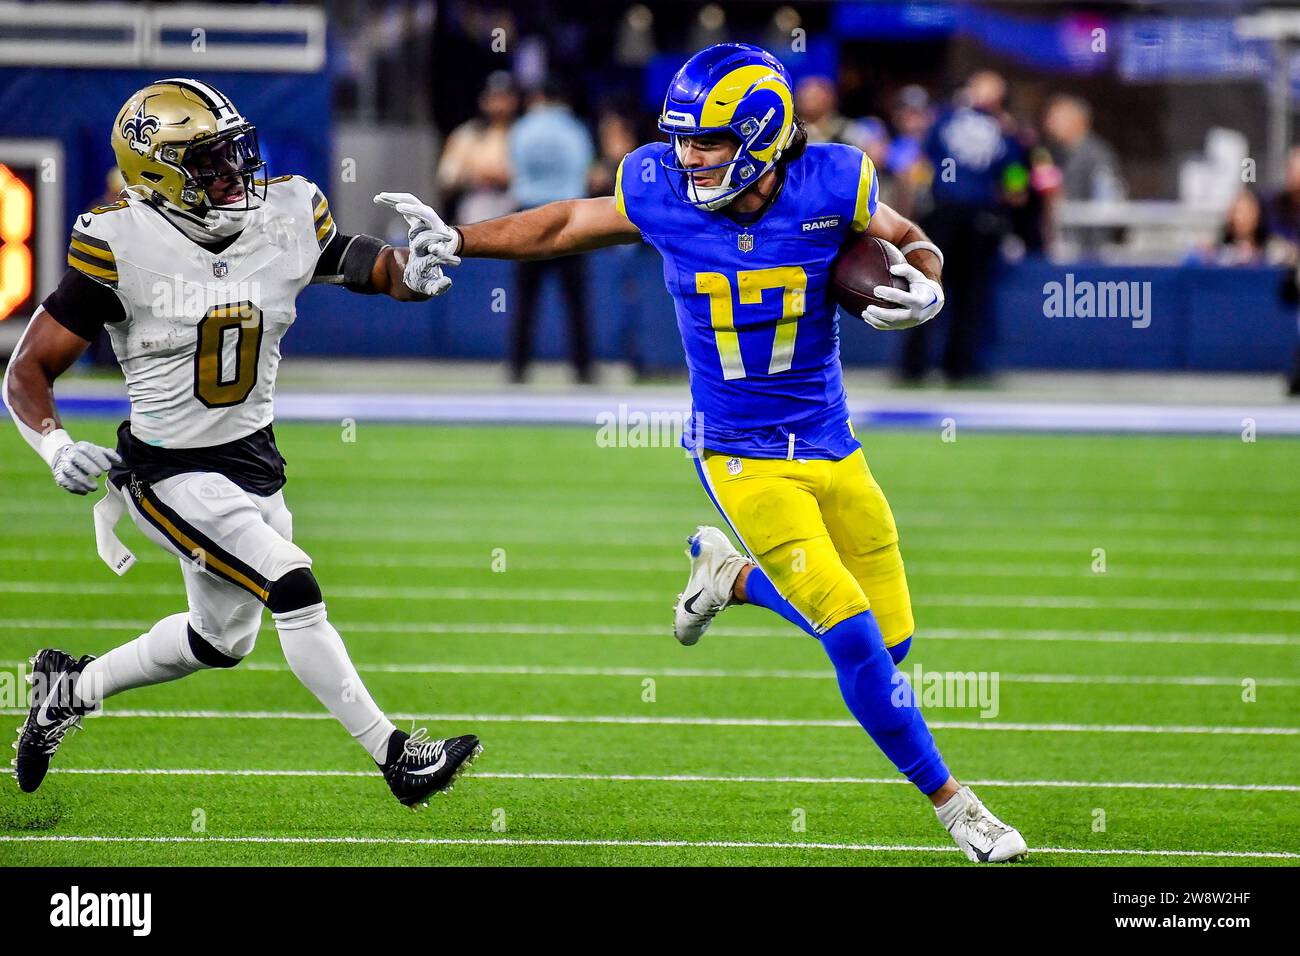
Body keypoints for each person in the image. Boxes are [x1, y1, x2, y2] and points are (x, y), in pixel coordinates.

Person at [391, 43, 1028, 863]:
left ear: (761, 138)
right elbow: (566, 222)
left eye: (708, 141)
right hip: (738, 454)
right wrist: (462, 238)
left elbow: (907, 236)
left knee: (893, 645)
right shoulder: (658, 187)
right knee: (855, 642)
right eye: (683, 139)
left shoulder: (835, 181)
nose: (688, 156)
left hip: (831, 442)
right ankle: (959, 809)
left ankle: (730, 578)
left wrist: (927, 281)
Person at [3, 78, 480, 807]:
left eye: (233, 151)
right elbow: (28, 369)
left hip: (254, 459)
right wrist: (55, 446)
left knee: (220, 640)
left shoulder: (285, 212)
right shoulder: (121, 242)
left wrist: (411, 271)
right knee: (292, 583)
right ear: (158, 174)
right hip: (168, 472)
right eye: (208, 160)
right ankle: (396, 756)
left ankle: (67, 690)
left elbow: (363, 264)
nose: (233, 170)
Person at [903, 70, 1026, 384]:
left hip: (963, 214)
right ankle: (937, 365)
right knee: (949, 290)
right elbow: (1015, 178)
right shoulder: (982, 125)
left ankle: (938, 365)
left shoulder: (960, 120)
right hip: (959, 213)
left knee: (950, 289)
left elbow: (923, 161)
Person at [507, 80, 595, 383]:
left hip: (529, 215)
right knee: (576, 300)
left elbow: (513, 168)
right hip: (569, 217)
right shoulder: (575, 129)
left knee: (525, 299)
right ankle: (583, 369)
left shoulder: (522, 128)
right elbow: (584, 170)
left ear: (539, 97)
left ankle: (517, 367)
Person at [436, 70, 518, 225]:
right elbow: (446, 178)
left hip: (514, 204)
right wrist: (476, 176)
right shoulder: (468, 134)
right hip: (476, 202)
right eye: (494, 97)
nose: (499, 104)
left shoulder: (523, 132)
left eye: (505, 97)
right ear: (483, 100)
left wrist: (504, 176)